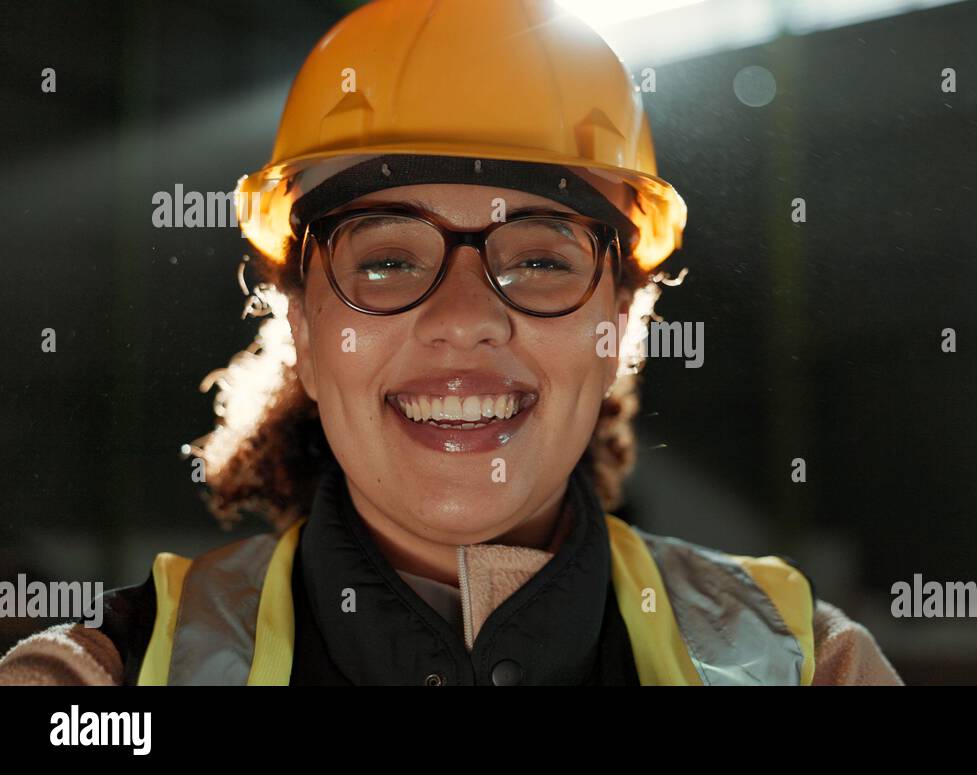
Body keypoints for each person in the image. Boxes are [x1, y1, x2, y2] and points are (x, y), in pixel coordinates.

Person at [0, 0, 901, 686]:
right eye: (388, 259)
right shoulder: (108, 676)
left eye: (542, 258)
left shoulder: (805, 664)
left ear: (619, 327)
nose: (462, 315)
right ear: (306, 332)